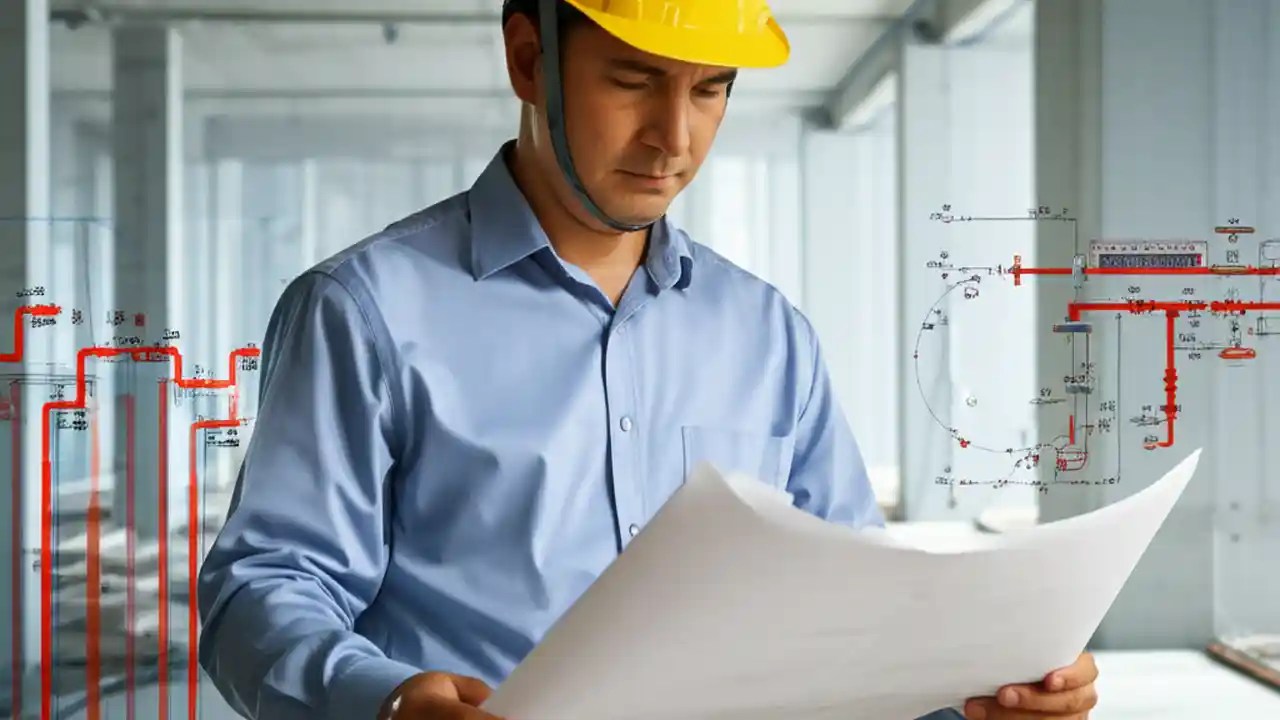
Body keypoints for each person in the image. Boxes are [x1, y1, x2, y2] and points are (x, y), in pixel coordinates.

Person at [197, 1, 1101, 719]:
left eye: (710, 89)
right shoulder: (366, 311)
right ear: (529, 60)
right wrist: (388, 701)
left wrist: (971, 695)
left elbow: (856, 612)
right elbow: (263, 591)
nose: (674, 136)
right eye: (634, 80)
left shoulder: (768, 334)